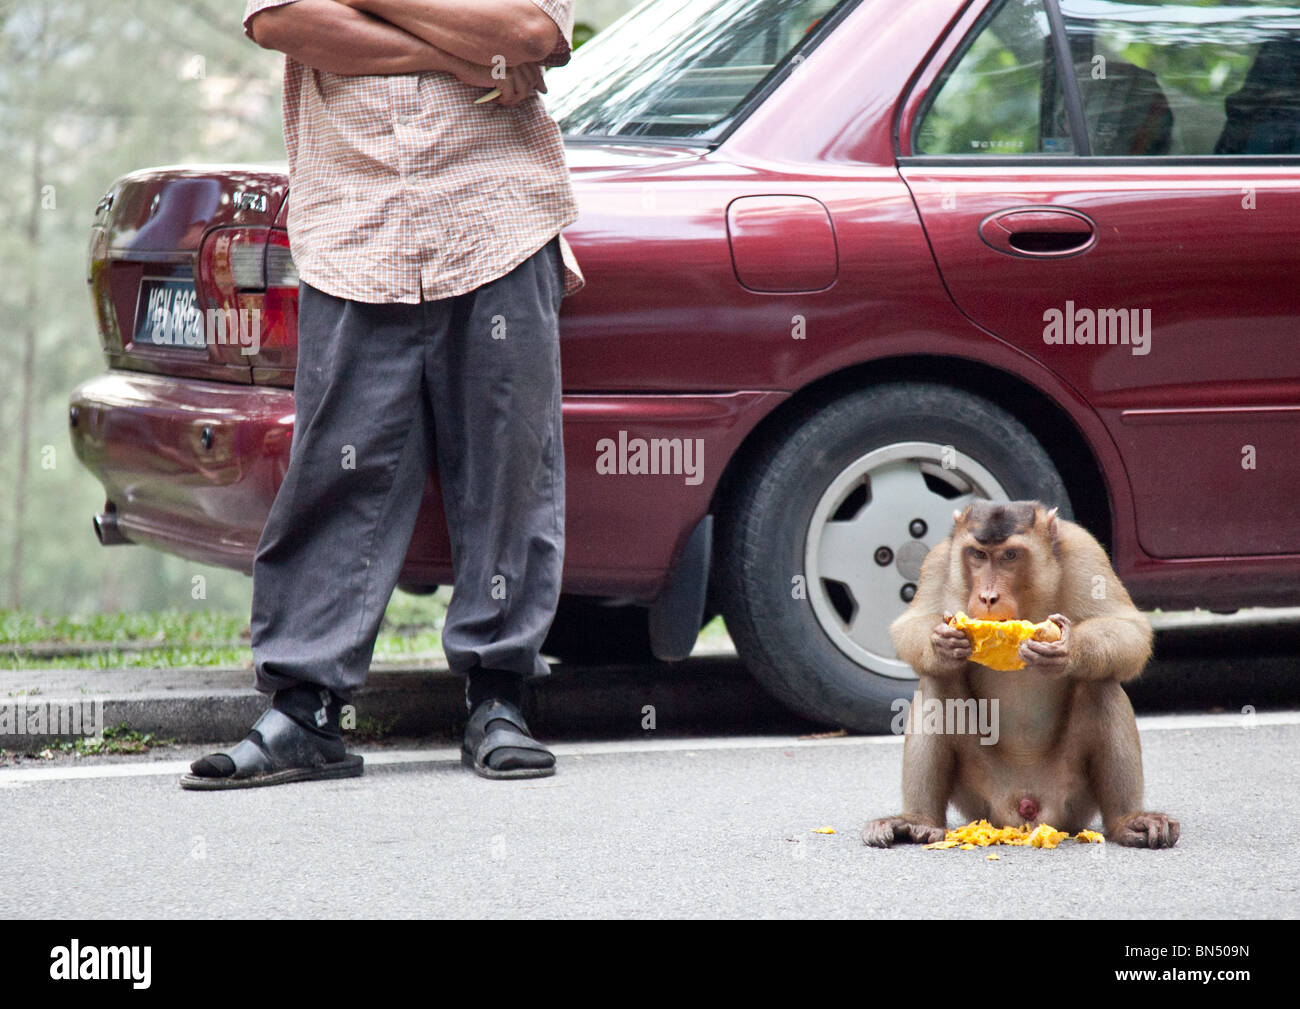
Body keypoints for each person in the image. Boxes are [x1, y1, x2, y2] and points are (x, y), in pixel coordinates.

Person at [181, 0, 583, 789]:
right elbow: (279, 21)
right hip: (353, 222)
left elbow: (532, 36)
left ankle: (499, 696)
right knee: (334, 469)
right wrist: (467, 60)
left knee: (510, 468)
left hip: (497, 214)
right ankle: (306, 713)